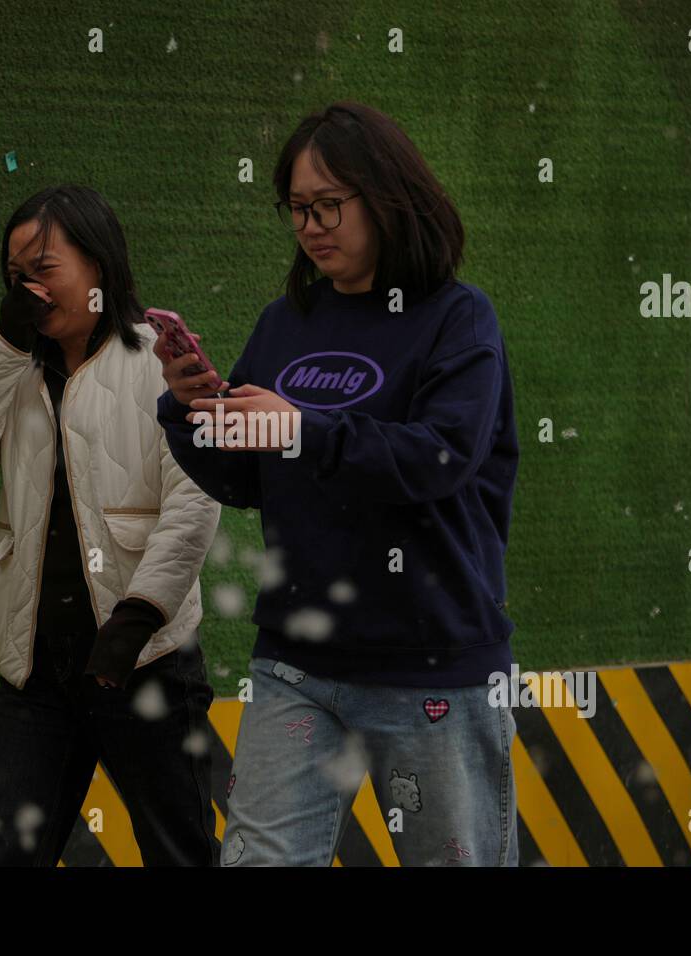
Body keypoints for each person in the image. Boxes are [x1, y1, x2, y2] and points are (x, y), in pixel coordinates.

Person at [154, 102, 521, 866]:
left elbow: (438, 459)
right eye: (297, 209)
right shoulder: (285, 322)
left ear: (387, 197)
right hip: (295, 665)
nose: (311, 227)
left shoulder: (459, 320)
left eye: (328, 205)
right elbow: (246, 480)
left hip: (431, 668)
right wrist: (192, 411)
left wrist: (300, 428)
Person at [0, 185, 221, 866]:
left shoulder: (158, 362)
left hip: (145, 663)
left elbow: (196, 497)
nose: (29, 289)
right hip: (37, 673)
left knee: (181, 856)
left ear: (99, 266)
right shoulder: (11, 367)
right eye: (15, 276)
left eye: (44, 269)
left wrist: (139, 616)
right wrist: (4, 342)